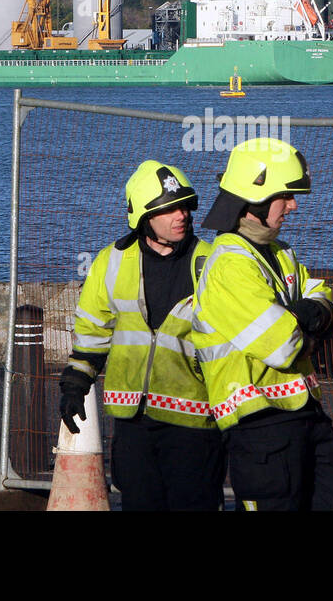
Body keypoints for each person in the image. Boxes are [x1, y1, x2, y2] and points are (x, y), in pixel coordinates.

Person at [193, 137, 333, 511]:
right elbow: (284, 347)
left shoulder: (280, 253)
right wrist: (309, 318)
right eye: (285, 196)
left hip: (305, 416)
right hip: (260, 426)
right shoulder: (229, 265)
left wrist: (309, 316)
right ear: (254, 199)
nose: (293, 206)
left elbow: (324, 303)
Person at [59, 160, 225, 511]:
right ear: (143, 217)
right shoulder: (112, 261)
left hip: (195, 423)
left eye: (185, 206)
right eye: (169, 208)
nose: (181, 215)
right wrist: (75, 383)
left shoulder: (213, 263)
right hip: (133, 425)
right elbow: (92, 332)